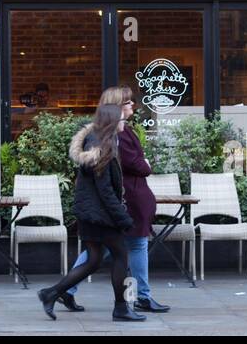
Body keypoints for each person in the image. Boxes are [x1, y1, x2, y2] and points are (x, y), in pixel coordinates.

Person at [58, 86, 169, 314]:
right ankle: (140, 297)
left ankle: (67, 290)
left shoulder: (121, 131)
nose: (132, 106)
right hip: (127, 200)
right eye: (127, 102)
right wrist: (145, 165)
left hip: (129, 200)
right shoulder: (115, 134)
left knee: (104, 251)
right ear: (116, 107)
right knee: (127, 247)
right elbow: (133, 164)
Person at [36, 90, 145, 322]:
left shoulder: (97, 141)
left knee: (94, 259)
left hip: (90, 214)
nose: (126, 122)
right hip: (100, 216)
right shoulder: (102, 148)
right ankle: (121, 308)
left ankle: (51, 293)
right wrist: (123, 219)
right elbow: (105, 190)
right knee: (120, 256)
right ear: (112, 121)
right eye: (122, 119)